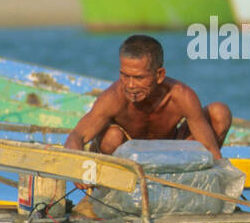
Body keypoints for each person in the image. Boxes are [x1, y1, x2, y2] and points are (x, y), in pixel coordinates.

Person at [64, 35, 231, 160]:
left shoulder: (181, 96)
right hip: (124, 162)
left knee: (220, 112)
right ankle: (107, 188)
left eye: (139, 78)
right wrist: (80, 170)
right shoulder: (113, 98)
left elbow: (210, 149)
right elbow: (76, 137)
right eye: (125, 75)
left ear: (159, 75)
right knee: (111, 137)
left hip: (170, 154)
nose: (130, 85)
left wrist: (222, 178)